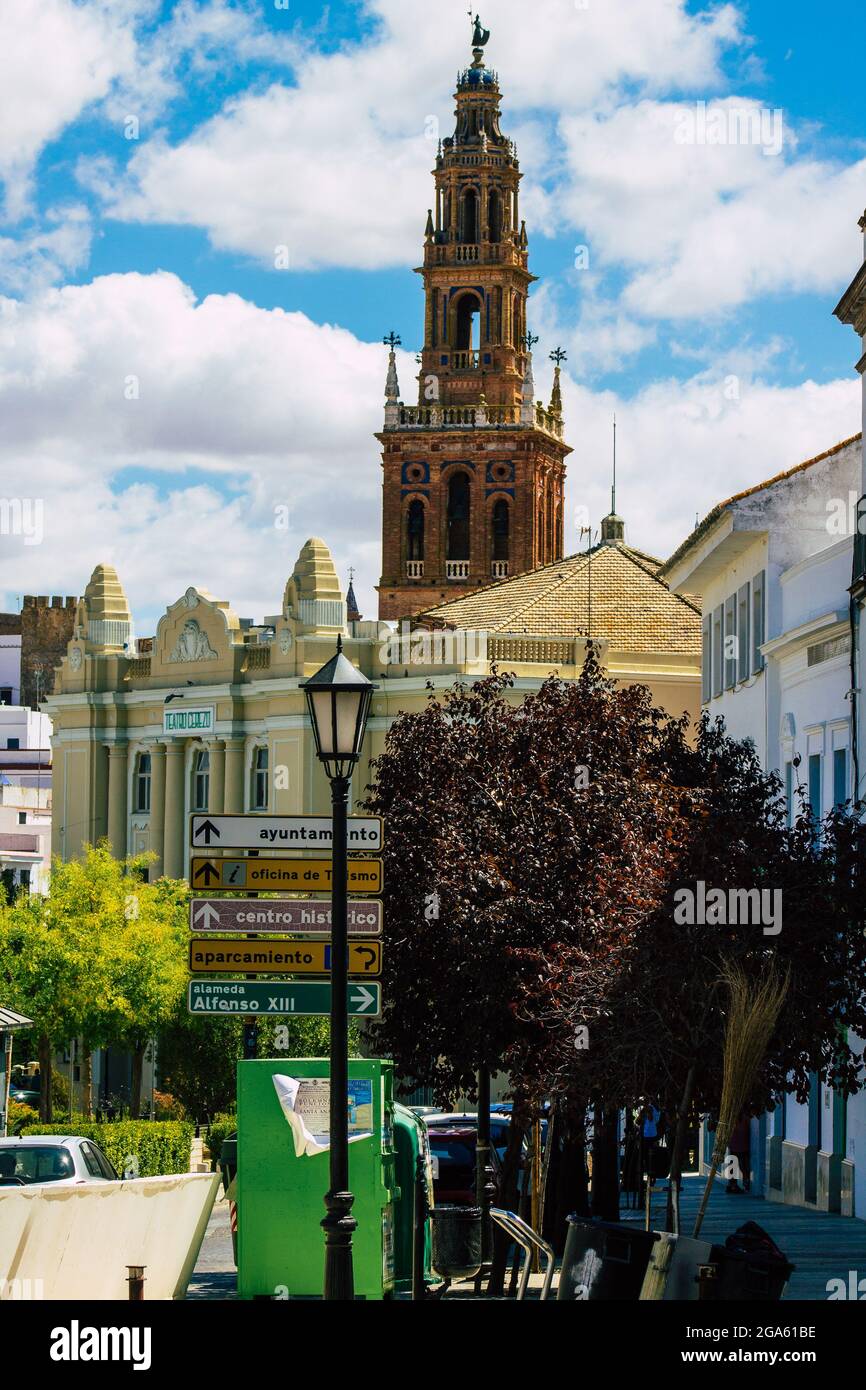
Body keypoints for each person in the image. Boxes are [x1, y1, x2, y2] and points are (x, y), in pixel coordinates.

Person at [726, 1113, 751, 1193]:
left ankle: (733, 1185)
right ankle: (739, 1184)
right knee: (742, 1165)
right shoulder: (744, 1118)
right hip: (741, 1145)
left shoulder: (733, 1118)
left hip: (737, 1145)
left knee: (736, 1165)